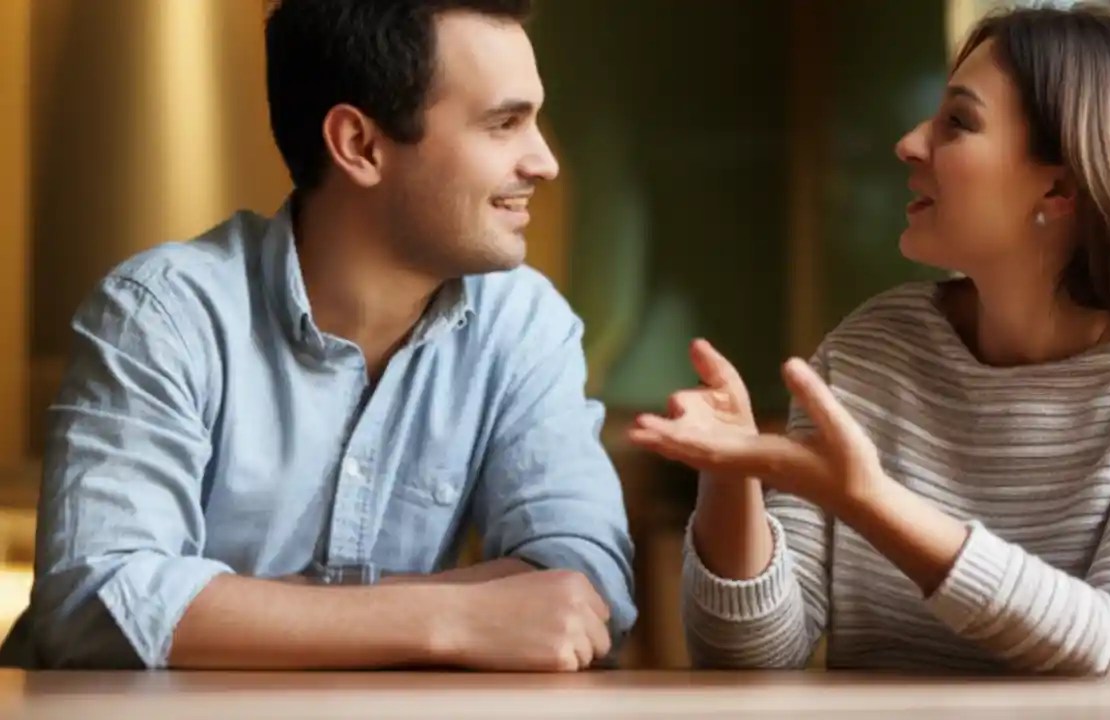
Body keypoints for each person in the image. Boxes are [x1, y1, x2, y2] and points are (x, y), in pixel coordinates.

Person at [630, 3, 1110, 683]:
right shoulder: (875, 349)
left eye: (958, 123)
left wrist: (874, 504)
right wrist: (731, 481)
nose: (909, 144)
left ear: (1060, 187)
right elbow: (751, 657)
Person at [0, 0, 635, 671]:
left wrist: (230, 612)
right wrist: (450, 616)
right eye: (504, 124)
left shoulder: (524, 324)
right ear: (360, 144)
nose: (544, 161)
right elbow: (98, 602)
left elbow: (583, 588)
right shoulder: (160, 314)